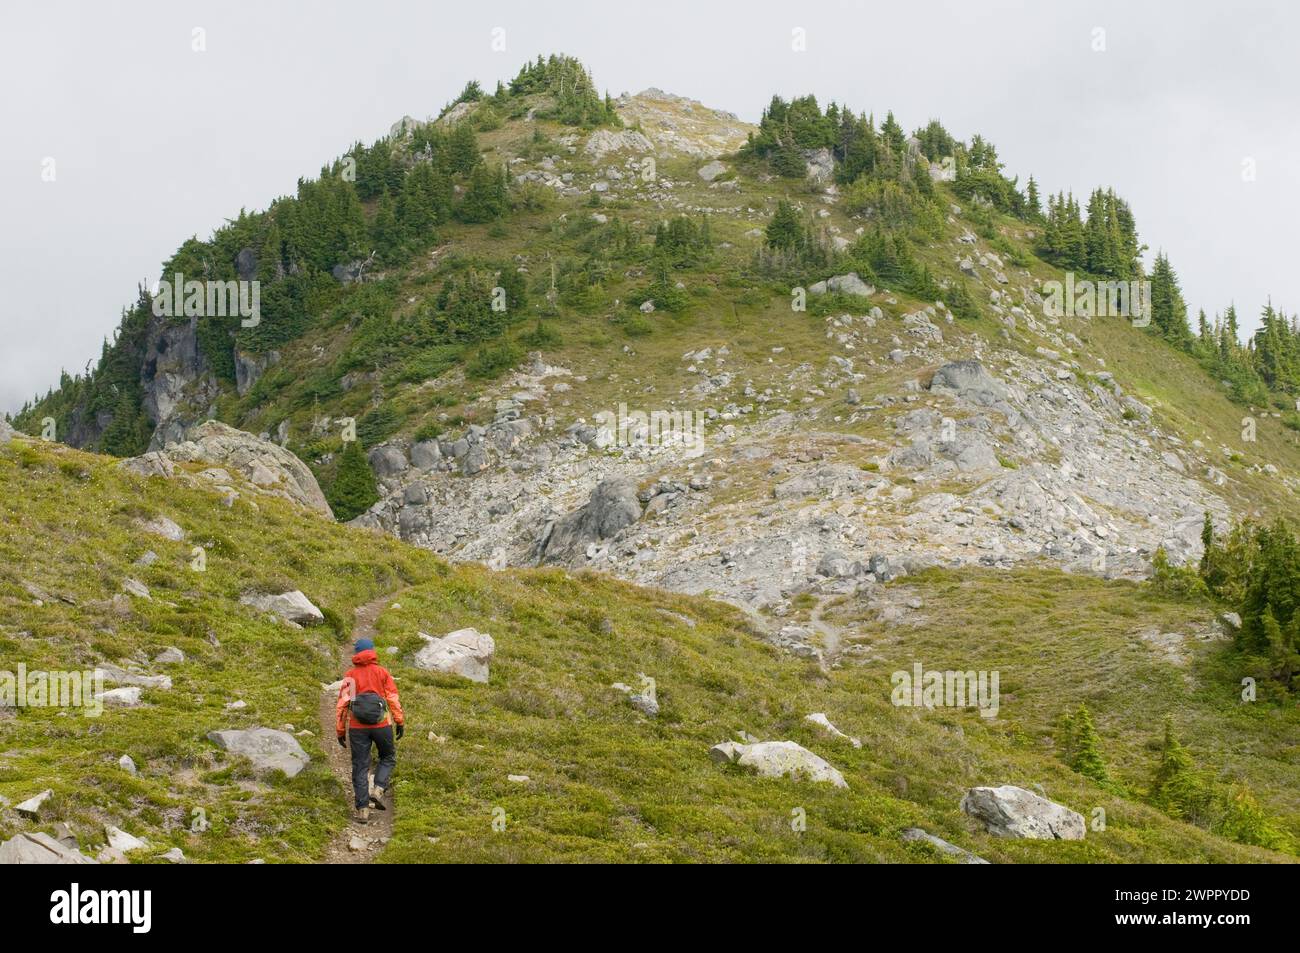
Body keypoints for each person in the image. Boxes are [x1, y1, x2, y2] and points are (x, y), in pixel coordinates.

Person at [335, 637, 405, 823]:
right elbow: (392, 698)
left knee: (360, 766)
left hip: (357, 728)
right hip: (382, 725)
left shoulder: (351, 675)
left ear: (357, 654)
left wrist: (340, 730)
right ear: (372, 651)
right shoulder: (382, 672)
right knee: (388, 757)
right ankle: (379, 788)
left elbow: (342, 705)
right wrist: (399, 721)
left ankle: (363, 810)